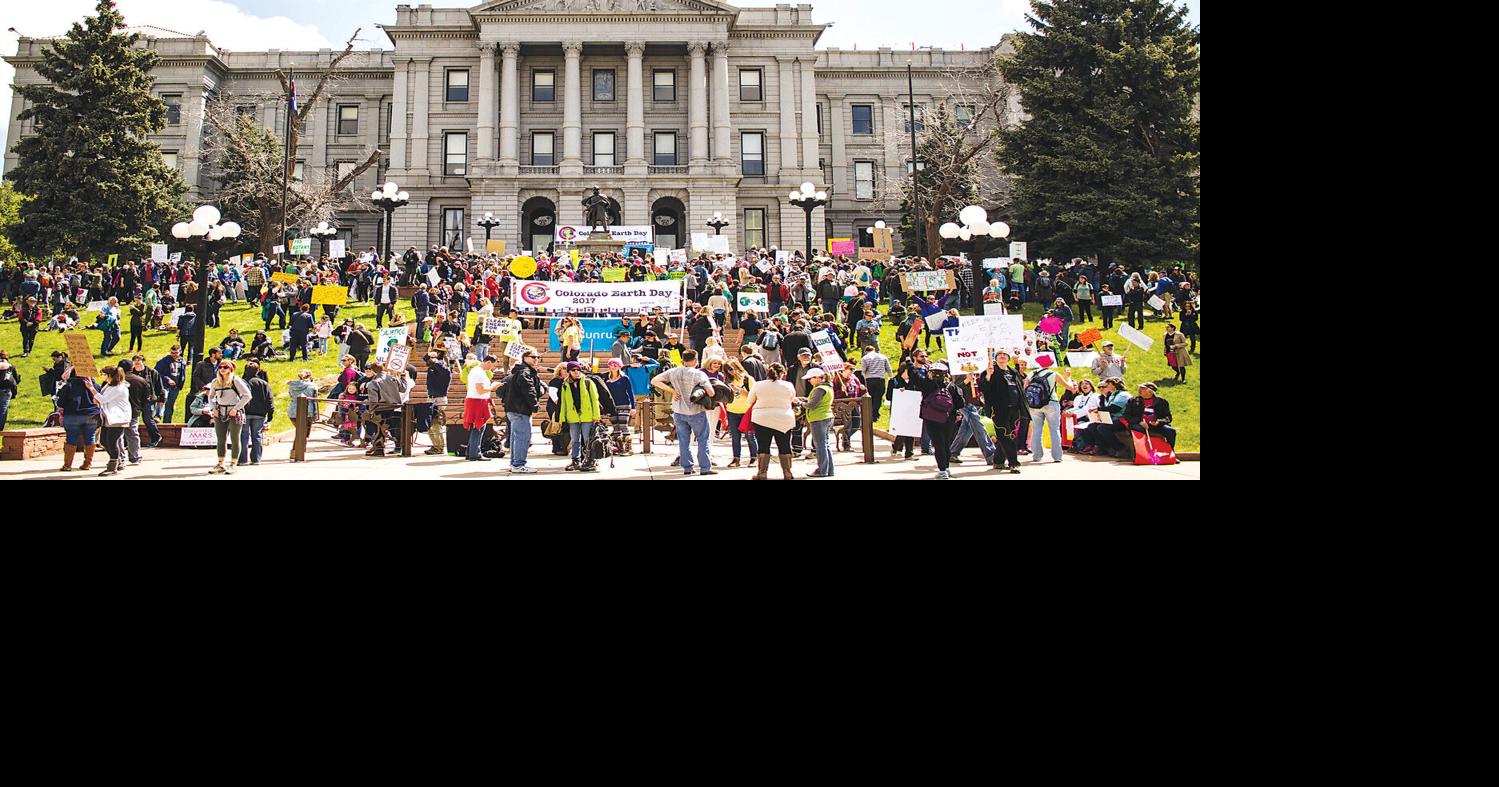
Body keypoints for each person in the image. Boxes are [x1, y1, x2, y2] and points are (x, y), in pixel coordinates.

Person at [651, 349, 716, 476]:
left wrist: (672, 391)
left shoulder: (673, 371)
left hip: (679, 410)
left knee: (683, 440)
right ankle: (705, 467)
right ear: (696, 360)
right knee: (703, 439)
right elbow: (711, 392)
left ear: (683, 359)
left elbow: (655, 380)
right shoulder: (698, 374)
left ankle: (687, 467)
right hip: (696, 410)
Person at [910, 361, 965, 480]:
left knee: (938, 444)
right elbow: (961, 403)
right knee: (946, 443)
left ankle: (942, 471)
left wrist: (909, 359)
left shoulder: (926, 384)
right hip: (949, 418)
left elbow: (913, 375)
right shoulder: (952, 386)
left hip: (931, 418)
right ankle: (946, 468)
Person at [744, 362, 797, 480]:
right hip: (784, 418)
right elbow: (792, 399)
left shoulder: (758, 385)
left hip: (762, 418)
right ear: (782, 373)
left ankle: (762, 473)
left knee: (763, 445)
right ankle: (787, 473)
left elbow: (750, 400)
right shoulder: (788, 385)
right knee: (784, 445)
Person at [980, 351, 1024, 474]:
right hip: (998, 409)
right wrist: (988, 376)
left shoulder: (1012, 371)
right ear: (996, 358)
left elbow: (1020, 386)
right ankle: (1014, 463)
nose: (1002, 356)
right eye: (1000, 354)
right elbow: (983, 388)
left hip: (1014, 409)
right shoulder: (990, 371)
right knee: (1006, 435)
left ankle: (998, 461)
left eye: (1005, 354)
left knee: (1006, 435)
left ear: (1008, 358)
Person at [205, 359, 251, 475]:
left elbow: (247, 396)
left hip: (234, 412)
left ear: (230, 369)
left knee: (235, 439)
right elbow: (210, 396)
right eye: (220, 367)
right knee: (221, 439)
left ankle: (233, 464)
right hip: (220, 412)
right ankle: (220, 464)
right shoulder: (216, 381)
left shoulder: (236, 380)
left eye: (225, 367)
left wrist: (236, 409)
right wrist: (213, 408)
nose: (222, 369)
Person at [502, 348, 544, 474]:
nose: (536, 359)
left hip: (513, 408)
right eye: (533, 357)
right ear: (525, 358)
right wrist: (535, 406)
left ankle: (515, 462)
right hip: (521, 409)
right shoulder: (525, 372)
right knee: (522, 437)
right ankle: (519, 464)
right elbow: (529, 390)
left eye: (538, 357)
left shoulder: (516, 372)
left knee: (516, 437)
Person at [1025, 363, 1076, 464]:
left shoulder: (1031, 373)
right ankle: (1057, 456)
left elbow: (1025, 388)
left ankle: (1037, 456)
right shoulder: (1054, 374)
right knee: (1054, 429)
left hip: (1034, 404)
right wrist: (1068, 377)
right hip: (1051, 403)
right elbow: (1071, 387)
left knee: (1036, 430)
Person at [558, 361, 604, 472]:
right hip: (572, 416)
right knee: (574, 440)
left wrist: (596, 416)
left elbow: (595, 399)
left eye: (578, 370)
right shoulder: (565, 384)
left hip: (587, 416)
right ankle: (575, 460)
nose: (576, 372)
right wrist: (562, 418)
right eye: (573, 370)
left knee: (588, 439)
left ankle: (590, 459)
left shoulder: (588, 382)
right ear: (569, 371)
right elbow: (563, 402)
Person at [56, 365, 101, 471]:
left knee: (71, 439)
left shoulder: (69, 385)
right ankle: (87, 464)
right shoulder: (94, 385)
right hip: (91, 415)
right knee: (90, 438)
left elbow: (60, 402)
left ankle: (67, 465)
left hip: (73, 415)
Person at [92, 366, 133, 477]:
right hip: (109, 417)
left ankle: (113, 466)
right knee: (104, 441)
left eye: (104, 374)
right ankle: (117, 460)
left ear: (110, 375)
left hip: (118, 418)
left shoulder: (120, 388)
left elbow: (104, 399)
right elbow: (103, 399)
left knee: (111, 442)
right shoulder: (109, 386)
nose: (103, 377)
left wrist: (91, 388)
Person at [463, 356, 501, 462]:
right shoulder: (478, 372)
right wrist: (493, 386)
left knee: (478, 427)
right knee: (478, 427)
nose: (493, 368)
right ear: (488, 362)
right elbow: (480, 390)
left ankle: (471, 452)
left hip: (476, 400)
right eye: (493, 365)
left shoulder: (477, 371)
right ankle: (475, 453)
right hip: (477, 401)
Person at [802, 368, 837, 478]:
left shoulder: (819, 389)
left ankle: (822, 470)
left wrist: (801, 403)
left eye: (811, 378)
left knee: (820, 445)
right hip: (826, 416)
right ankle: (828, 469)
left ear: (818, 378)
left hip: (818, 418)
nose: (809, 381)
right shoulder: (827, 387)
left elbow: (812, 404)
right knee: (825, 445)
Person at [238, 361, 275, 466]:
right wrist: (270, 413)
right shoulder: (263, 383)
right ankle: (256, 459)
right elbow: (269, 399)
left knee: (243, 436)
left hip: (244, 412)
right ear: (258, 371)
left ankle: (242, 459)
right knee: (257, 435)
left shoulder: (241, 382)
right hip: (260, 413)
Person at [723, 359, 757, 467]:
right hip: (732, 410)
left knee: (750, 436)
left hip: (746, 411)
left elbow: (755, 395)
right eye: (726, 370)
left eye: (731, 369)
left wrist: (742, 392)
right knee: (735, 437)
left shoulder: (747, 379)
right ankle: (736, 458)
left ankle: (754, 458)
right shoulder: (728, 380)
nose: (729, 372)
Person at [1124, 382, 1176, 448]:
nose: (1140, 390)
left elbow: (1168, 417)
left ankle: (1170, 451)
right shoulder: (1133, 401)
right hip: (1140, 425)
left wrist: (1159, 421)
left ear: (1150, 392)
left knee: (1171, 431)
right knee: (1137, 429)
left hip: (1157, 425)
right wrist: (1139, 422)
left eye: (1143, 389)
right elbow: (1127, 416)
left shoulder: (1162, 402)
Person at [421, 350, 452, 456]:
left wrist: (435, 359)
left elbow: (436, 364)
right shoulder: (433, 369)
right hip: (432, 398)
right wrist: (429, 354)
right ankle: (436, 445)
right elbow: (425, 359)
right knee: (430, 424)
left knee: (435, 424)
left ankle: (439, 446)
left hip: (439, 398)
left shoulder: (445, 370)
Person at [1067, 379, 1102, 455]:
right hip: (1080, 417)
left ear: (1091, 386)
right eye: (1082, 384)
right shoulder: (1078, 397)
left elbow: (1086, 409)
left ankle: (1086, 445)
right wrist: (1069, 411)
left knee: (1083, 426)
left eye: (1087, 384)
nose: (1084, 385)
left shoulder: (1095, 396)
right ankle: (1071, 444)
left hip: (1092, 418)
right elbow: (1076, 407)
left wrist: (1073, 414)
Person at [155, 345, 187, 423]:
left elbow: (182, 373)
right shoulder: (164, 361)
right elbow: (156, 373)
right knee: (163, 399)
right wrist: (167, 379)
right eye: (172, 353)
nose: (174, 355)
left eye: (176, 353)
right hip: (165, 385)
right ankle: (158, 416)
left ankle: (167, 422)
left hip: (175, 387)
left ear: (180, 352)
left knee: (170, 405)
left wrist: (180, 384)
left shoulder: (182, 361)